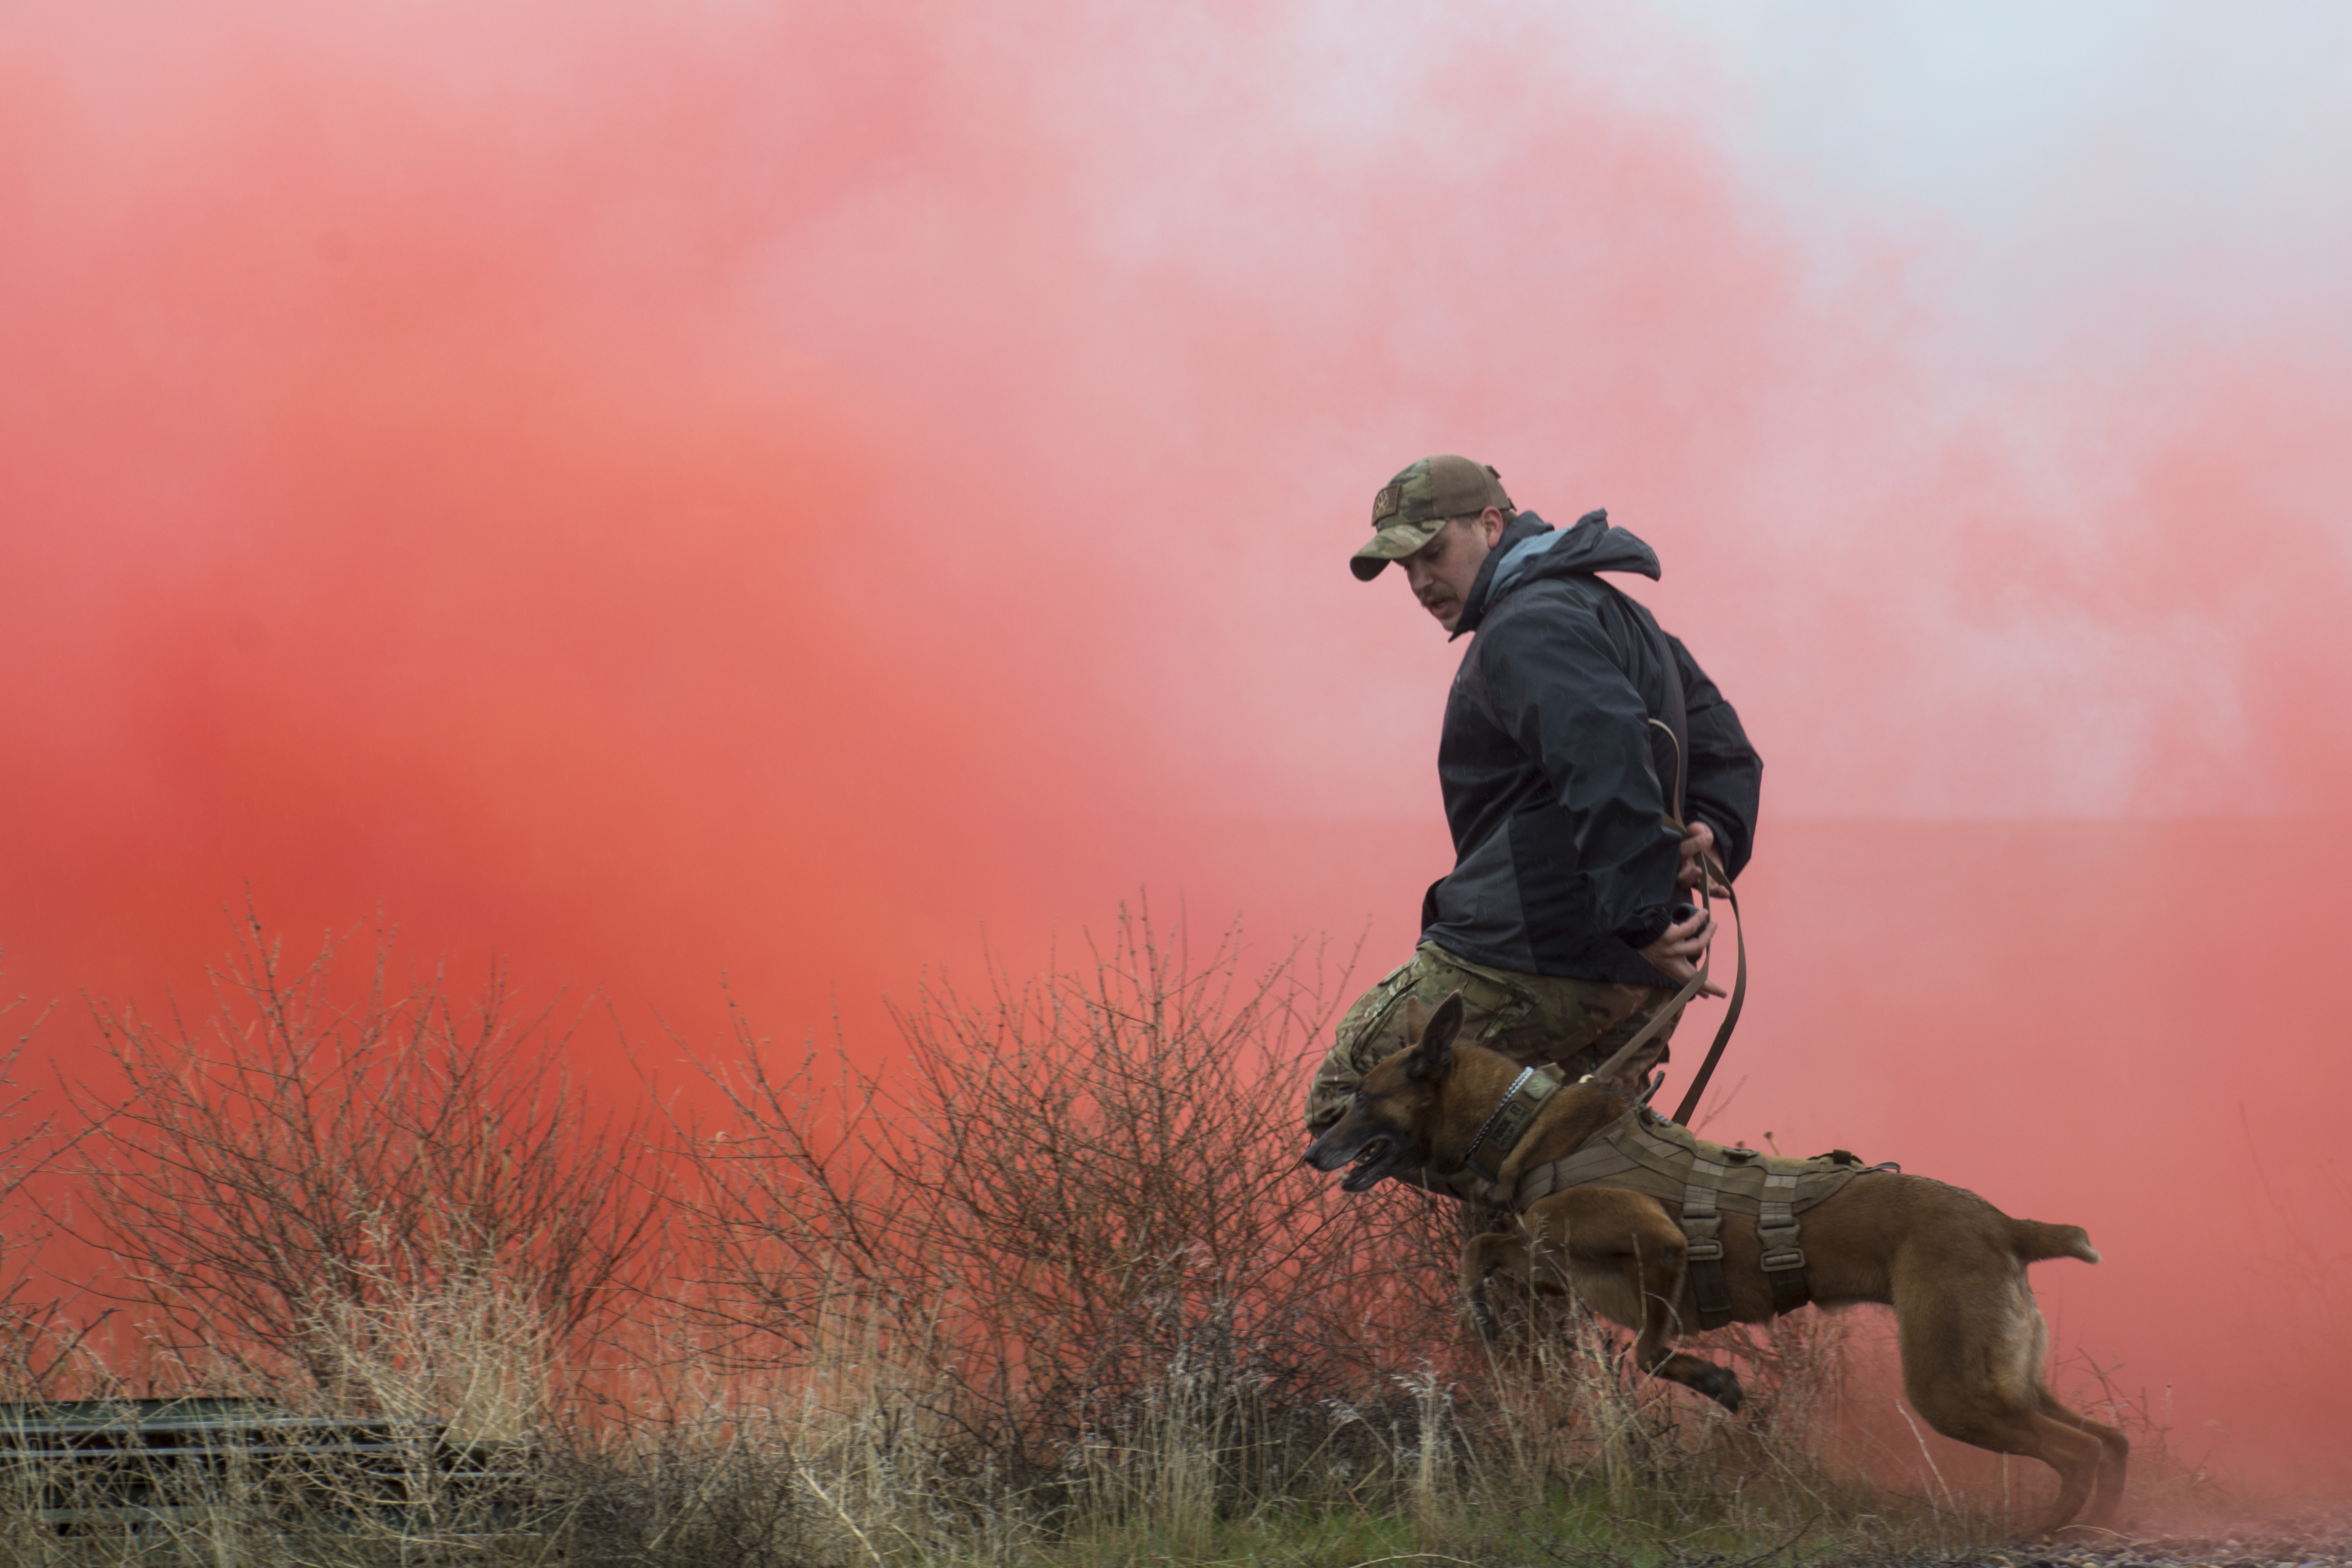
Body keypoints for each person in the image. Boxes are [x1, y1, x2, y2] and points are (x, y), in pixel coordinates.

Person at [1304, 454, 1762, 1200]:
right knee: (1564, 1170)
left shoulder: (1526, 625)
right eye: (1402, 566)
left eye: (1431, 553)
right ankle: (1558, 1267)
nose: (1419, 582)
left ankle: (1550, 1197)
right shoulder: (1613, 613)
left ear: (1491, 526)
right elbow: (1724, 746)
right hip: (1639, 979)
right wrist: (1717, 835)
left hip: (1533, 954)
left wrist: (1638, 916)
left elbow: (1604, 755)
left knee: (1347, 1095)